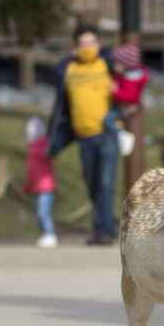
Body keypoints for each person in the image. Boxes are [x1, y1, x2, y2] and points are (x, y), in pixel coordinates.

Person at [46, 25, 119, 245]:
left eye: (91, 43)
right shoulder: (68, 69)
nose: (87, 47)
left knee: (105, 182)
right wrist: (53, 141)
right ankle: (105, 224)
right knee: (92, 182)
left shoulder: (107, 64)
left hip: (107, 133)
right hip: (83, 135)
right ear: (76, 47)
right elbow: (60, 107)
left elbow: (132, 78)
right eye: (82, 44)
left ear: (98, 44)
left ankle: (104, 229)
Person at [104, 43, 149, 157]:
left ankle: (122, 135)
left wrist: (115, 91)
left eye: (115, 63)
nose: (112, 65)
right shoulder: (130, 75)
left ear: (124, 65)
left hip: (124, 107)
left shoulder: (130, 79)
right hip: (122, 106)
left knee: (107, 120)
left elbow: (131, 96)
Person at [23, 116, 58, 248]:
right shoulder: (31, 150)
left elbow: (50, 154)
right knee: (39, 213)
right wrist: (27, 186)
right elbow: (31, 173)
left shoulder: (44, 144)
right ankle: (45, 233)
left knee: (43, 212)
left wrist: (38, 149)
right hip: (36, 187)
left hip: (46, 186)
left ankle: (50, 234)